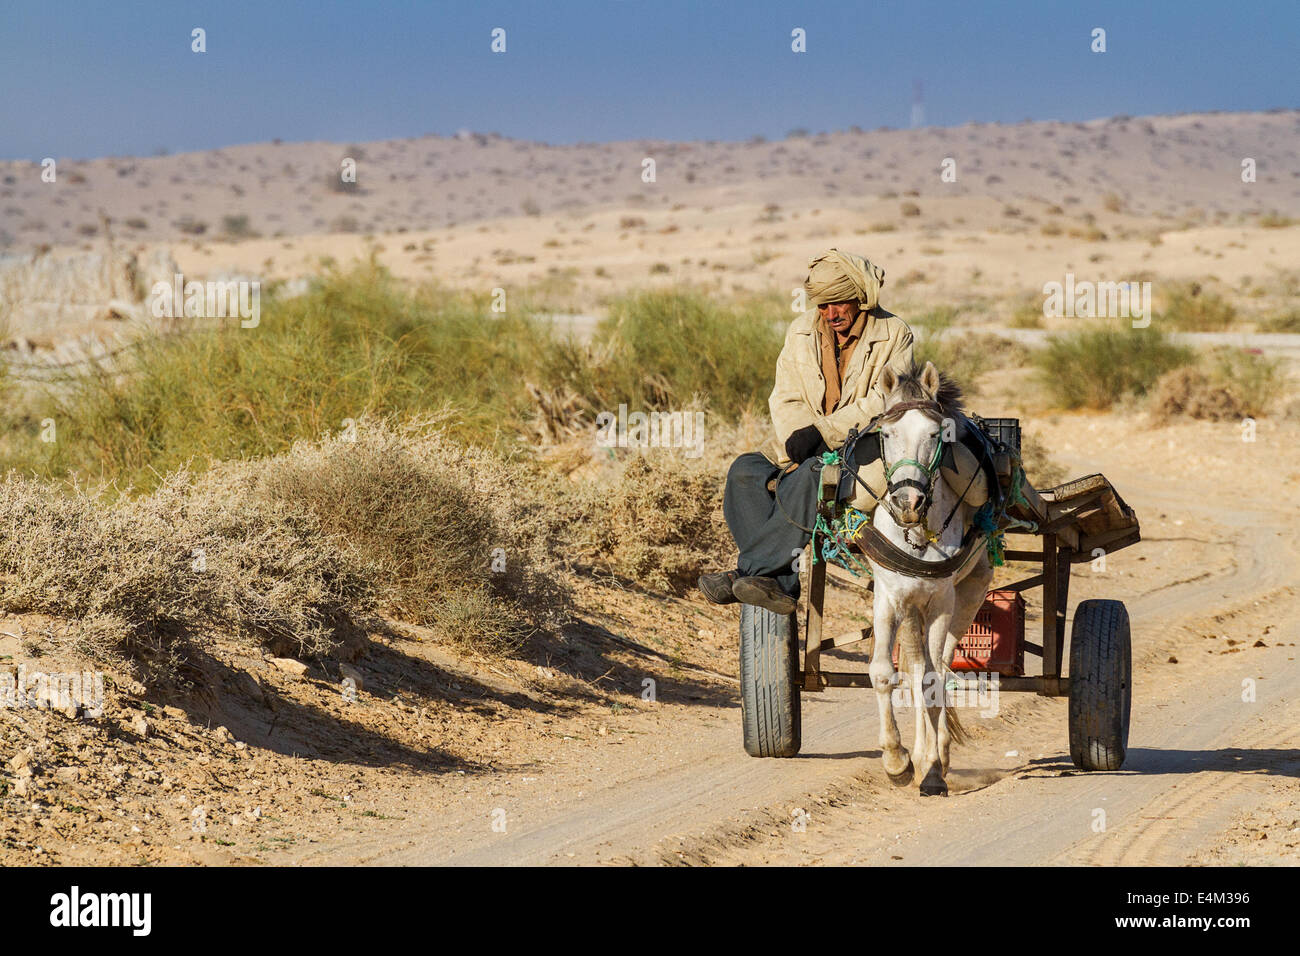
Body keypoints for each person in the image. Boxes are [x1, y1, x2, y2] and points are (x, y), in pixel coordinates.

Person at [698, 248, 915, 614]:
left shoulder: (895, 334)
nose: (830, 314)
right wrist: (799, 440)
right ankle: (778, 583)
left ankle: (748, 572)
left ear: (860, 298)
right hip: (800, 449)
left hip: (863, 456)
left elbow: (885, 401)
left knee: (811, 476)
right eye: (822, 305)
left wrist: (823, 432)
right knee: (744, 472)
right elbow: (784, 396)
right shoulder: (799, 331)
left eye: (838, 304)